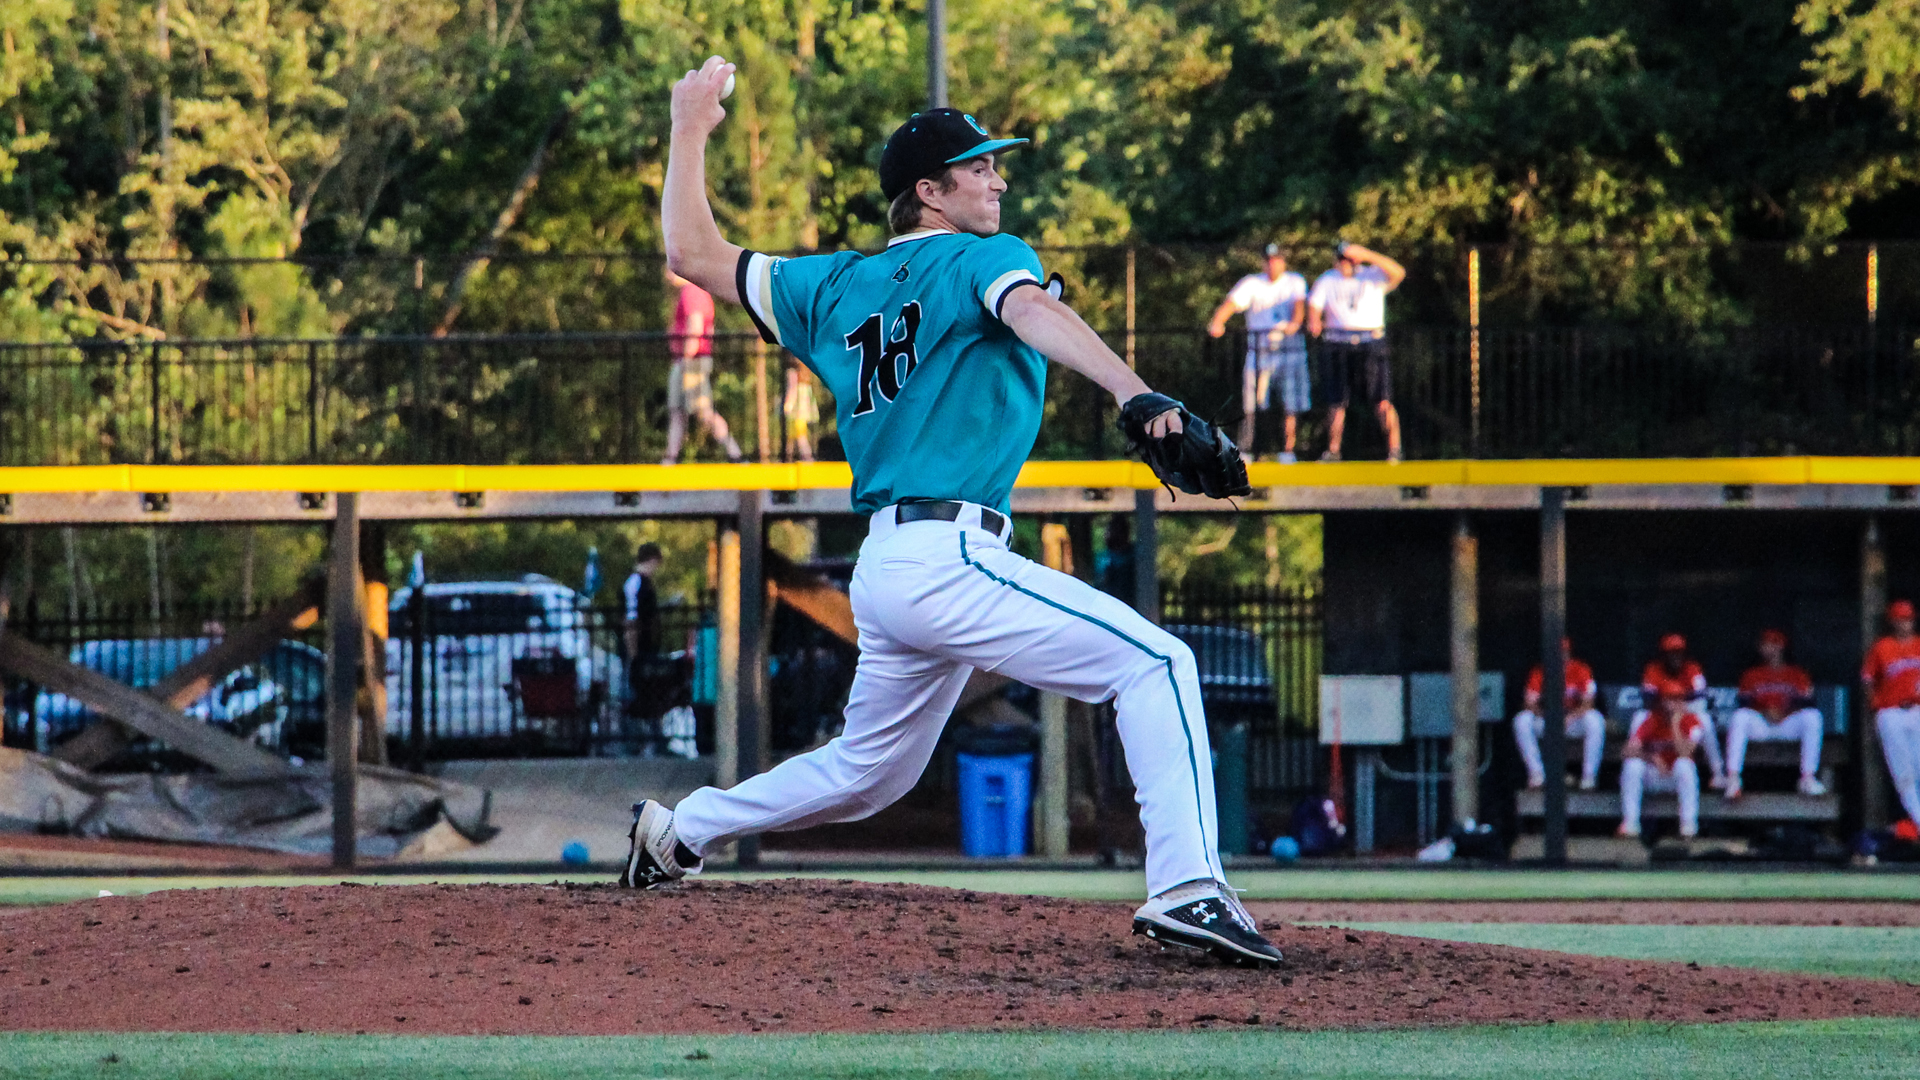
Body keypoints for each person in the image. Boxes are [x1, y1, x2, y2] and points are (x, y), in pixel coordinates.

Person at [625, 60, 1282, 968]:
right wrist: (1139, 396)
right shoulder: (984, 257)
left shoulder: (830, 286)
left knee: (867, 773)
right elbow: (1031, 313)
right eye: (979, 168)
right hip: (949, 555)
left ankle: (677, 830)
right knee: (1158, 662)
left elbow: (691, 255)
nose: (998, 180)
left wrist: (688, 122)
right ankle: (1190, 891)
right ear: (929, 194)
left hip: (890, 570)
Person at [1206, 243, 1307, 462]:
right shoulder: (1252, 283)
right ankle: (1247, 449)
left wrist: (1294, 324)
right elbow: (1232, 303)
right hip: (1259, 351)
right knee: (1251, 403)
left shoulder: (1294, 281)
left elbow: (1299, 309)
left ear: (1283, 262)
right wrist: (1217, 321)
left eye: (1277, 260)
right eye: (1268, 260)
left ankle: (1288, 451)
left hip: (1288, 350)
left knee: (1290, 404)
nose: (1272, 264)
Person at [1306, 241, 1405, 462]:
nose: (1343, 264)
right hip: (1338, 342)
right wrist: (1314, 321)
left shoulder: (1371, 276)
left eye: (1348, 259)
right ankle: (1333, 450)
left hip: (1370, 341)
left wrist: (1367, 254)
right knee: (1336, 401)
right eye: (1340, 259)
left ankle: (1394, 449)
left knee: (1382, 400)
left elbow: (1399, 273)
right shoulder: (1327, 280)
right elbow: (1314, 306)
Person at [1724, 629, 1828, 800]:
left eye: (1770, 644)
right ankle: (1733, 779)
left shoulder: (1797, 674)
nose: (1765, 648)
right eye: (1764, 644)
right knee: (1739, 717)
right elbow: (1743, 703)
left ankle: (1807, 778)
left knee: (1813, 716)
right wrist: (1764, 710)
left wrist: (1785, 712)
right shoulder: (1751, 674)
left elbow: (1808, 702)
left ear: (1780, 647)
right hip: (1762, 726)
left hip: (1787, 725)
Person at [661, 268, 745, 464]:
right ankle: (669, 462)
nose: (668, 271)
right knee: (677, 412)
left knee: (703, 411)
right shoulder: (689, 292)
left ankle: (736, 456)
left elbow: (696, 327)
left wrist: (687, 360)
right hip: (684, 360)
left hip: (692, 360)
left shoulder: (693, 292)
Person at [1634, 632, 1728, 789]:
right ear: (1663, 655)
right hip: (1660, 711)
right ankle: (1635, 752)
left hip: (1687, 710)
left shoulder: (1692, 668)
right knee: (1640, 716)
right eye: (1671, 653)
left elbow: (1700, 698)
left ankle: (1718, 773)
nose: (1675, 656)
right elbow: (1648, 699)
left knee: (1704, 720)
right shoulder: (1653, 669)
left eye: (1678, 652)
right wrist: (1668, 705)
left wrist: (1679, 707)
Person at [1512, 637, 1607, 792]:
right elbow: (1529, 703)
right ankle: (1537, 775)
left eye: (1563, 653)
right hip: (1548, 722)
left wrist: (1569, 717)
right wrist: (1548, 717)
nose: (1560, 657)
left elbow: (1589, 702)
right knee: (1521, 720)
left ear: (1568, 654)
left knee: (1595, 719)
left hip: (1573, 722)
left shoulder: (1580, 669)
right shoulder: (1539, 671)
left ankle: (1589, 777)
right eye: (1556, 653)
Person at [1863, 599, 1920, 826]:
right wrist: (1874, 702)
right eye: (1899, 620)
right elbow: (1867, 679)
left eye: (1907, 619)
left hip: (1916, 709)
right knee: (1902, 772)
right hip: (1891, 712)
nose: (1903, 624)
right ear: (1892, 622)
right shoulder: (1882, 647)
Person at [1617, 699, 1704, 839]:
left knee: (1685, 764)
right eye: (1670, 698)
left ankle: (1688, 824)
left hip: (1676, 780)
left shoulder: (1692, 721)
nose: (1672, 704)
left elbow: (1685, 752)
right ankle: (1631, 823)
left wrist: (1676, 724)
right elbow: (1626, 751)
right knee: (1632, 765)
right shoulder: (1651, 720)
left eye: (1677, 698)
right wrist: (1651, 757)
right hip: (1655, 777)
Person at [783, 354, 818, 462]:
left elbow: (792, 389)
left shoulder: (792, 372)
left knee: (797, 434)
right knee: (797, 434)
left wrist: (788, 405)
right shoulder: (806, 375)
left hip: (796, 409)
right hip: (804, 409)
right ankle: (791, 457)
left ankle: (806, 458)